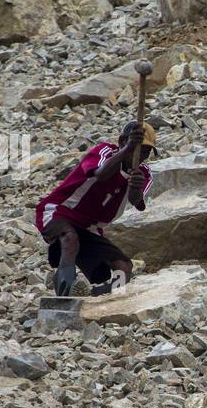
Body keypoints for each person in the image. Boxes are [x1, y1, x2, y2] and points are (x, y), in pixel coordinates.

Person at [34, 121, 155, 297]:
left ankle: (102, 296)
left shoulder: (144, 173)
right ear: (122, 141)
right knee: (69, 239)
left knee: (124, 267)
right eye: (138, 149)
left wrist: (135, 188)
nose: (140, 155)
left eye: (146, 152)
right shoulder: (104, 152)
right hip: (59, 211)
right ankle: (64, 292)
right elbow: (101, 174)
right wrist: (127, 150)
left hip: (89, 227)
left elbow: (137, 202)